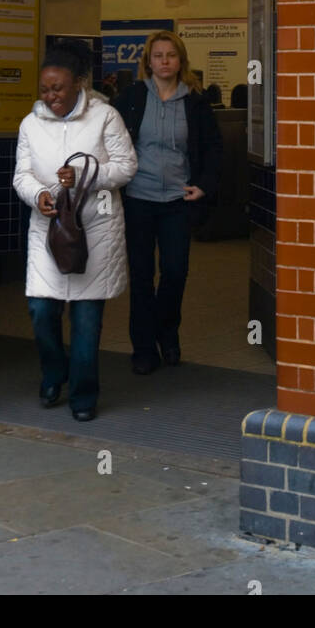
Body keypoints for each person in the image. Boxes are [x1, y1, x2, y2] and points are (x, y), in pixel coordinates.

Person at [13, 40, 137, 421]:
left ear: (79, 84)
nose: (51, 96)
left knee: (86, 320)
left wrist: (85, 174)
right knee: (40, 310)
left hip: (95, 230)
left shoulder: (104, 116)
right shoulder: (30, 124)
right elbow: (22, 175)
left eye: (59, 88)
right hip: (48, 230)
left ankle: (83, 395)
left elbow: (127, 165)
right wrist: (39, 196)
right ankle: (54, 373)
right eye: (45, 89)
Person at [114, 30, 222, 374]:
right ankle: (144, 348)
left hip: (178, 199)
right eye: (157, 55)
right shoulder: (130, 98)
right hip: (138, 198)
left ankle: (167, 330)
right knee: (142, 275)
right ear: (148, 60)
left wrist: (204, 185)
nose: (164, 61)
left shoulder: (196, 102)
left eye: (170, 55)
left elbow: (213, 149)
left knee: (175, 272)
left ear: (181, 60)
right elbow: (110, 141)